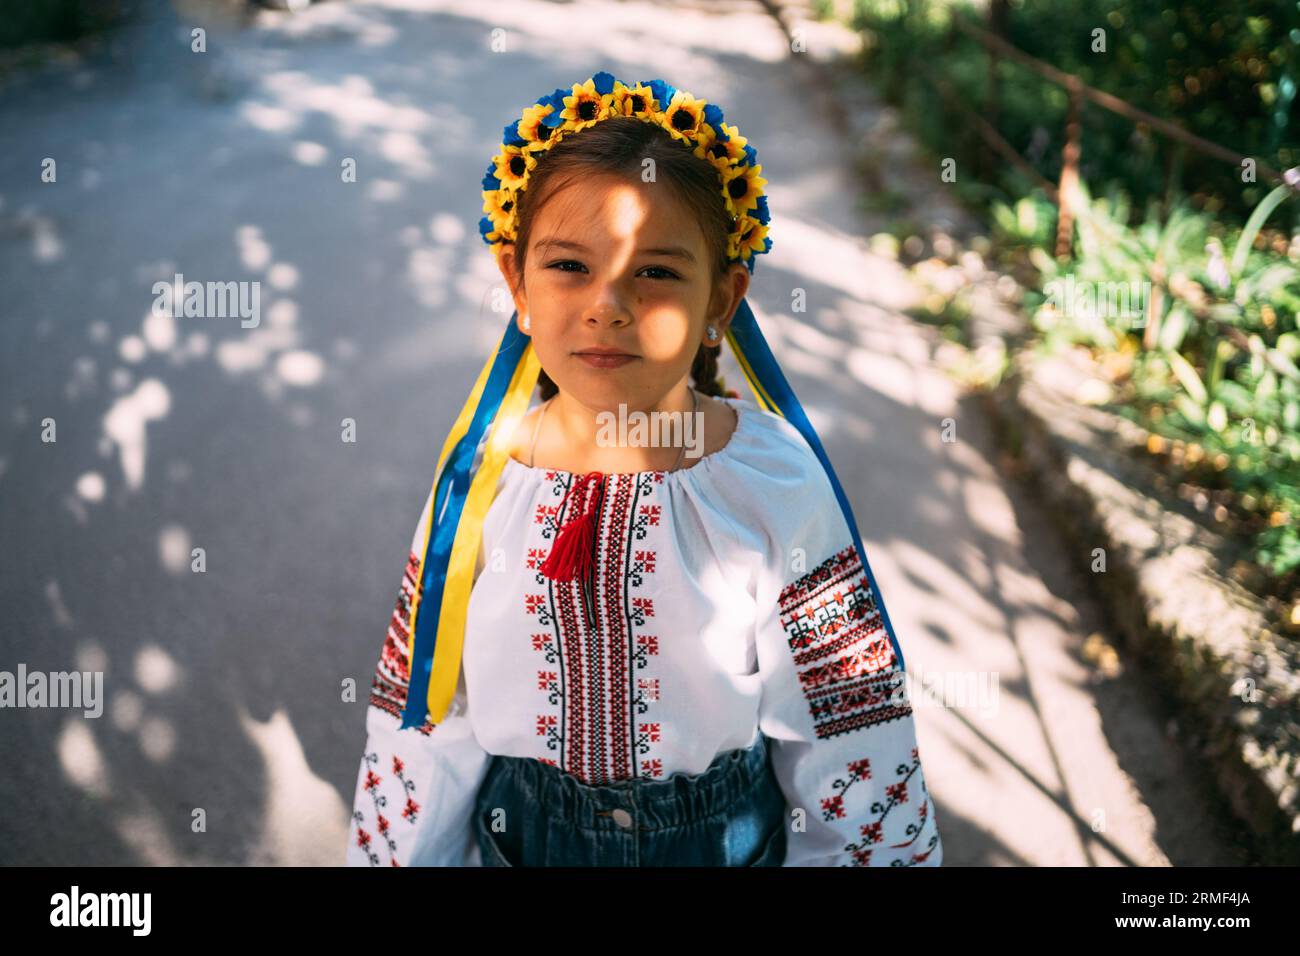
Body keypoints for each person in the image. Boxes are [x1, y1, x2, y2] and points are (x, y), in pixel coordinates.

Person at [345, 72, 942, 867]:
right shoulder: (484, 481)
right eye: (568, 267)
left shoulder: (772, 482)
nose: (608, 306)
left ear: (721, 303)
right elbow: (429, 709)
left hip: (725, 847)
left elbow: (843, 719)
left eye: (656, 272)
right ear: (515, 283)